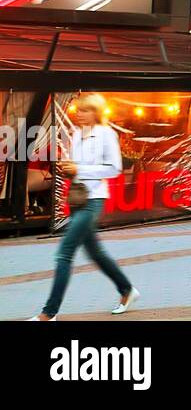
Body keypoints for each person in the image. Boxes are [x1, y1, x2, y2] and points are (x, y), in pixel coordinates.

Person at [30, 93, 138, 321]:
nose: (79, 114)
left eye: (84, 110)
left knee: (64, 253)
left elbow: (114, 168)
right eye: (78, 110)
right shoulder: (77, 134)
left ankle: (49, 314)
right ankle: (127, 290)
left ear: (95, 112)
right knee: (95, 252)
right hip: (77, 199)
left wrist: (80, 170)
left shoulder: (107, 134)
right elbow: (78, 166)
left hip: (94, 200)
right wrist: (68, 167)